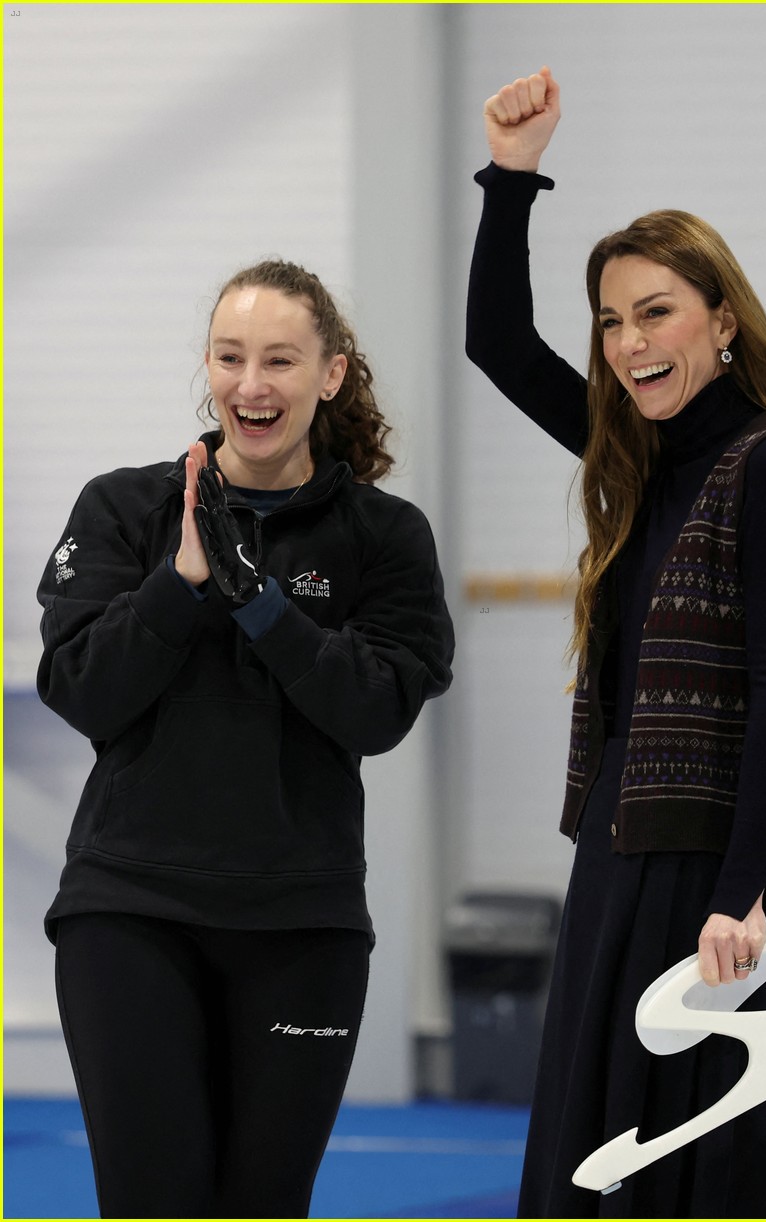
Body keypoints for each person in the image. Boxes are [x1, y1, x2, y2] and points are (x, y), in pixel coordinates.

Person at [466, 68, 766, 1218]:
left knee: (687, 1158)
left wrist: (746, 893)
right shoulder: (637, 456)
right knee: (592, 1148)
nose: (628, 343)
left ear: (721, 321)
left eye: (656, 311)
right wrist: (510, 174)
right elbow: (494, 342)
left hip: (700, 873)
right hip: (616, 843)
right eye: (612, 321)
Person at [37, 259, 455, 1219]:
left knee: (263, 1206)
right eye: (230, 358)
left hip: (301, 928)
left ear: (330, 374)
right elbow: (81, 688)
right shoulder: (124, 509)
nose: (251, 385)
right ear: (209, 369)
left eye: (279, 360)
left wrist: (259, 603)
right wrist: (181, 584)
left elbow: (377, 711)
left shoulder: (385, 536)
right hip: (129, 914)